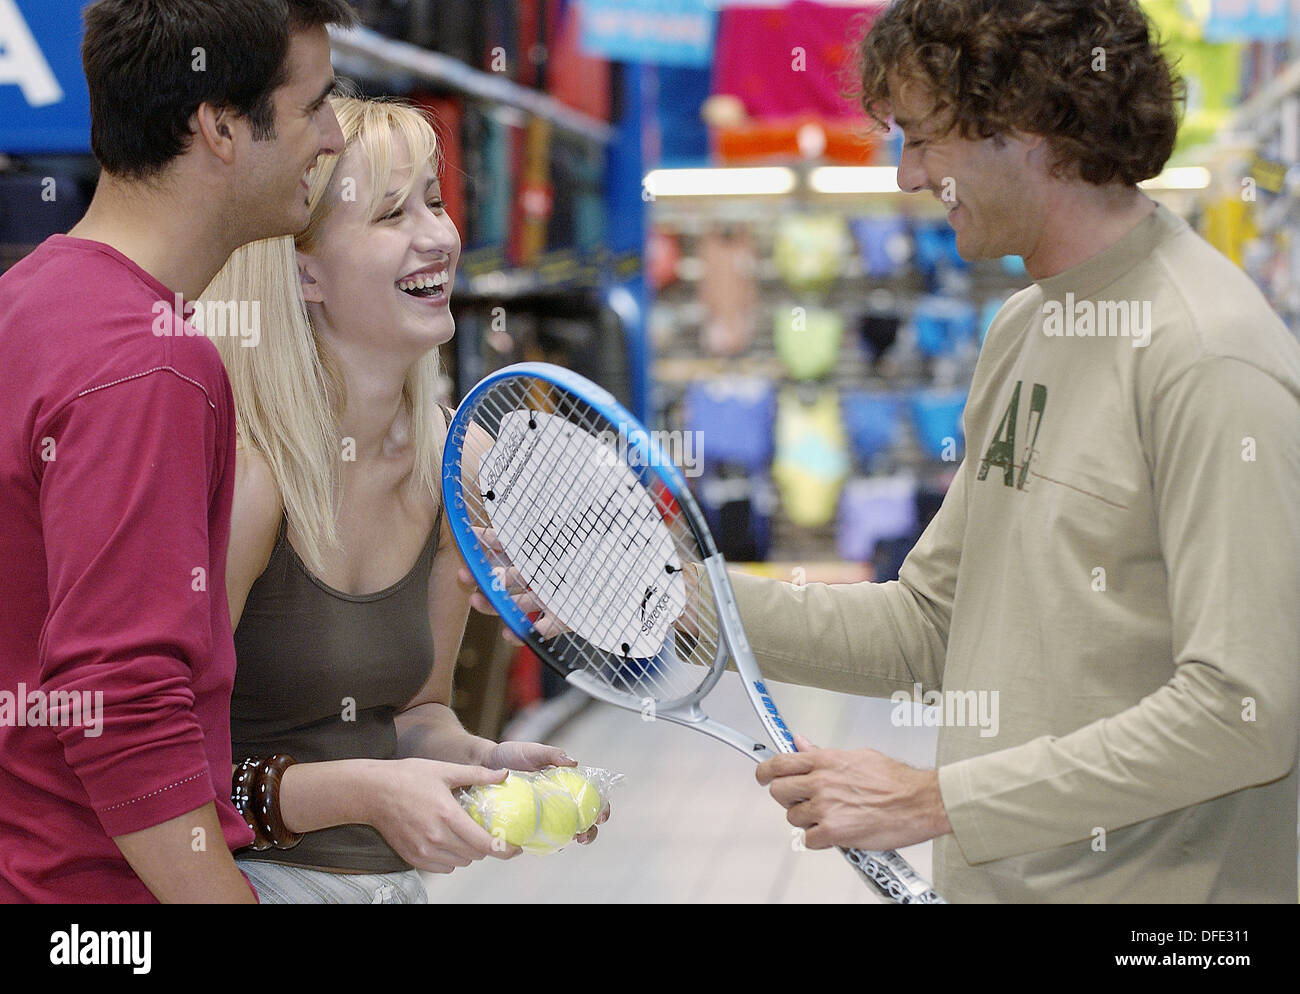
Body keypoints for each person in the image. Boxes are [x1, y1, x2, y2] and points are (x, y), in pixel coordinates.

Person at [738, 0, 1300, 902]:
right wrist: (668, 592)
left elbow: (1243, 715)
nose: (905, 177)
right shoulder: (1026, 326)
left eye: (922, 139)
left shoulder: (1206, 354)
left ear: (1026, 125)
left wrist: (937, 798)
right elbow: (928, 626)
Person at [201, 94, 607, 904]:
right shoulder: (250, 477)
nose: (439, 236)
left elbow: (412, 716)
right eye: (390, 212)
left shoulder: (454, 464)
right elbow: (160, 771)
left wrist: (483, 764)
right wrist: (360, 795)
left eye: (433, 198)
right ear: (304, 270)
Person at [0, 0, 356, 903]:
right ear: (220, 126)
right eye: (313, 104)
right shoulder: (149, 359)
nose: (332, 136)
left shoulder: (28, 300)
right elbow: (121, 701)